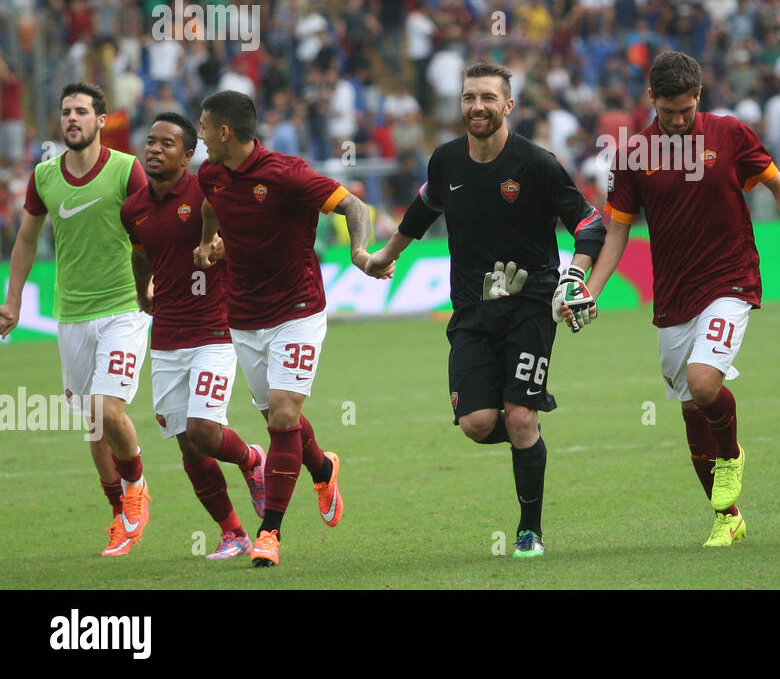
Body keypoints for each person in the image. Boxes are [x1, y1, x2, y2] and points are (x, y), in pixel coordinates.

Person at [365, 63, 606, 559]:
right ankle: (528, 427)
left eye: (489, 98)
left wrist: (576, 274)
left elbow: (589, 223)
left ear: (508, 106)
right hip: (472, 310)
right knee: (476, 423)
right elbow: (423, 209)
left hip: (531, 306)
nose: (478, 107)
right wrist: (386, 256)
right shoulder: (446, 161)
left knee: (518, 418)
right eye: (470, 98)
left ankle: (529, 531)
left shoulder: (537, 164)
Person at [584, 51, 780, 548]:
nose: (679, 120)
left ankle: (732, 456)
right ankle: (727, 516)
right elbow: (617, 232)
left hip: (731, 280)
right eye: (669, 112)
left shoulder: (729, 134)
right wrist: (591, 291)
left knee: (705, 384)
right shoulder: (631, 154)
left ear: (699, 97)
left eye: (687, 110)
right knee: (691, 409)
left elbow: (777, 183)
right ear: (651, 100)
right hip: (673, 295)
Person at [193, 90, 372, 568]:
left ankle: (269, 532)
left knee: (284, 415)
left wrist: (358, 253)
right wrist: (208, 242)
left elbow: (356, 207)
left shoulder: (286, 174)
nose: (200, 135)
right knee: (278, 417)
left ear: (224, 131)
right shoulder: (210, 174)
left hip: (298, 310)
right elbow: (210, 209)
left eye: (204, 127)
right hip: (243, 315)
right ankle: (322, 467)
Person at [0, 82, 153, 556]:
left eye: (82, 111)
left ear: (101, 121)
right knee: (93, 425)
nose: (72, 118)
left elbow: (153, 229)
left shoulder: (127, 170)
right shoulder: (45, 177)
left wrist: (155, 281)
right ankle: (119, 518)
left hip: (125, 308)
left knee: (109, 411)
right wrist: (14, 299)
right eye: (66, 111)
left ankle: (138, 487)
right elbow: (26, 241)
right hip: (72, 313)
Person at [121, 112, 267, 560]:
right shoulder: (133, 209)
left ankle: (252, 461)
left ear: (188, 155)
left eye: (167, 143)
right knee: (187, 443)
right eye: (150, 141)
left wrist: (223, 245)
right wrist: (144, 296)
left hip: (214, 331)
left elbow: (247, 232)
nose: (154, 149)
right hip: (166, 336)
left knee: (204, 430)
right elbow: (141, 255)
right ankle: (234, 533)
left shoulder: (209, 191)